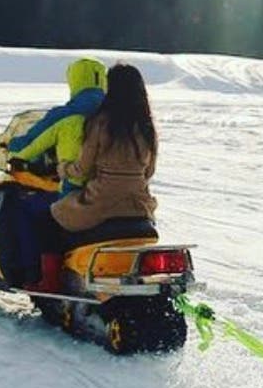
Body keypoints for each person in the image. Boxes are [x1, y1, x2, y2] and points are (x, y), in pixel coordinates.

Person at [8, 58, 107, 290]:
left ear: (74, 81)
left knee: (33, 213)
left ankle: (41, 279)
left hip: (77, 193)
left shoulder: (67, 114)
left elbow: (27, 146)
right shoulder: (119, 115)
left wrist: (9, 145)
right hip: (121, 194)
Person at [50, 62, 158, 238]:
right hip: (139, 205)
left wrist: (63, 168)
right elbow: (149, 171)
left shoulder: (100, 122)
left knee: (55, 212)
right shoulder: (147, 127)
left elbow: (82, 169)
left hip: (100, 203)